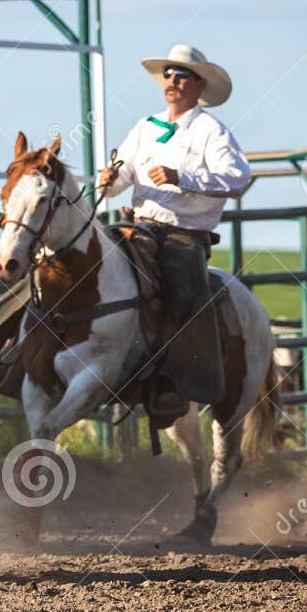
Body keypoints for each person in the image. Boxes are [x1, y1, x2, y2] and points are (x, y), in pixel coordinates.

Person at [96, 44, 250, 407]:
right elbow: (125, 176)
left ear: (200, 86)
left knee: (187, 296)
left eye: (183, 75)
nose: (173, 80)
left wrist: (182, 177)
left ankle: (179, 382)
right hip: (137, 226)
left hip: (182, 236)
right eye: (169, 73)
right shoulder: (144, 127)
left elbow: (237, 179)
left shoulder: (212, 131)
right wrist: (110, 179)